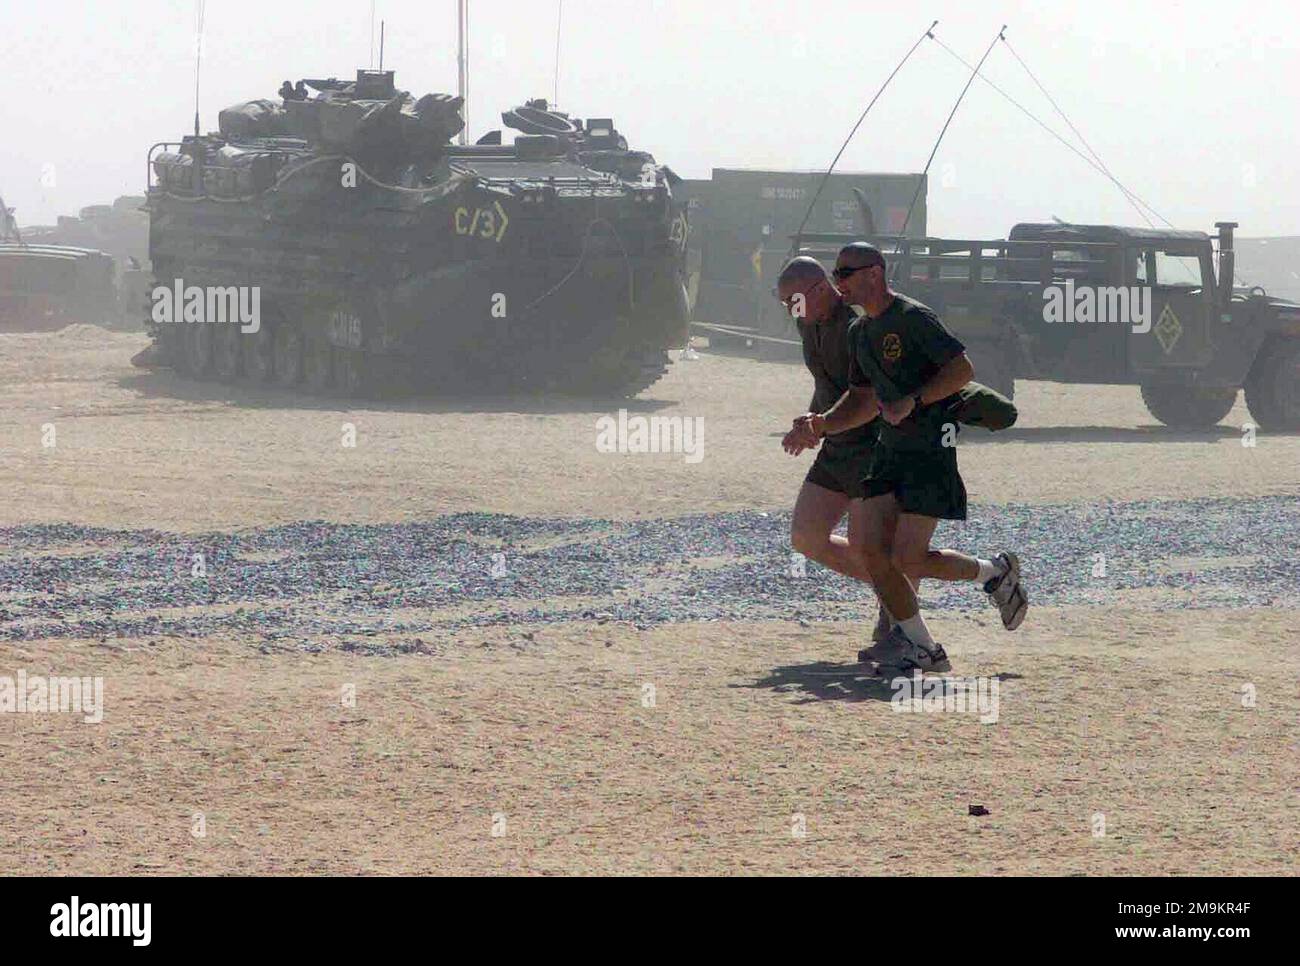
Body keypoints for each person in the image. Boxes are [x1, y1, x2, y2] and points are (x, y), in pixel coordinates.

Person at [797, 243, 1029, 672]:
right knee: (871, 552)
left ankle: (992, 573)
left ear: (874, 274)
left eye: (846, 273)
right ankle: (922, 645)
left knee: (909, 559)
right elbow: (863, 399)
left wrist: (914, 400)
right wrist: (822, 424)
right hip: (889, 452)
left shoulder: (912, 318)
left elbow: (962, 370)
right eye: (836, 272)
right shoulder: (859, 333)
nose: (839, 281)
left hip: (929, 454)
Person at [775, 256, 891, 644]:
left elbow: (866, 400)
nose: (789, 311)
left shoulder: (857, 328)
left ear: (821, 289)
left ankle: (897, 606)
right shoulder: (808, 325)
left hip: (873, 446)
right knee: (806, 537)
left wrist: (820, 425)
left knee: (868, 548)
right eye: (784, 304)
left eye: (793, 301)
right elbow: (827, 384)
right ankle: (900, 580)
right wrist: (809, 421)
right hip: (837, 443)